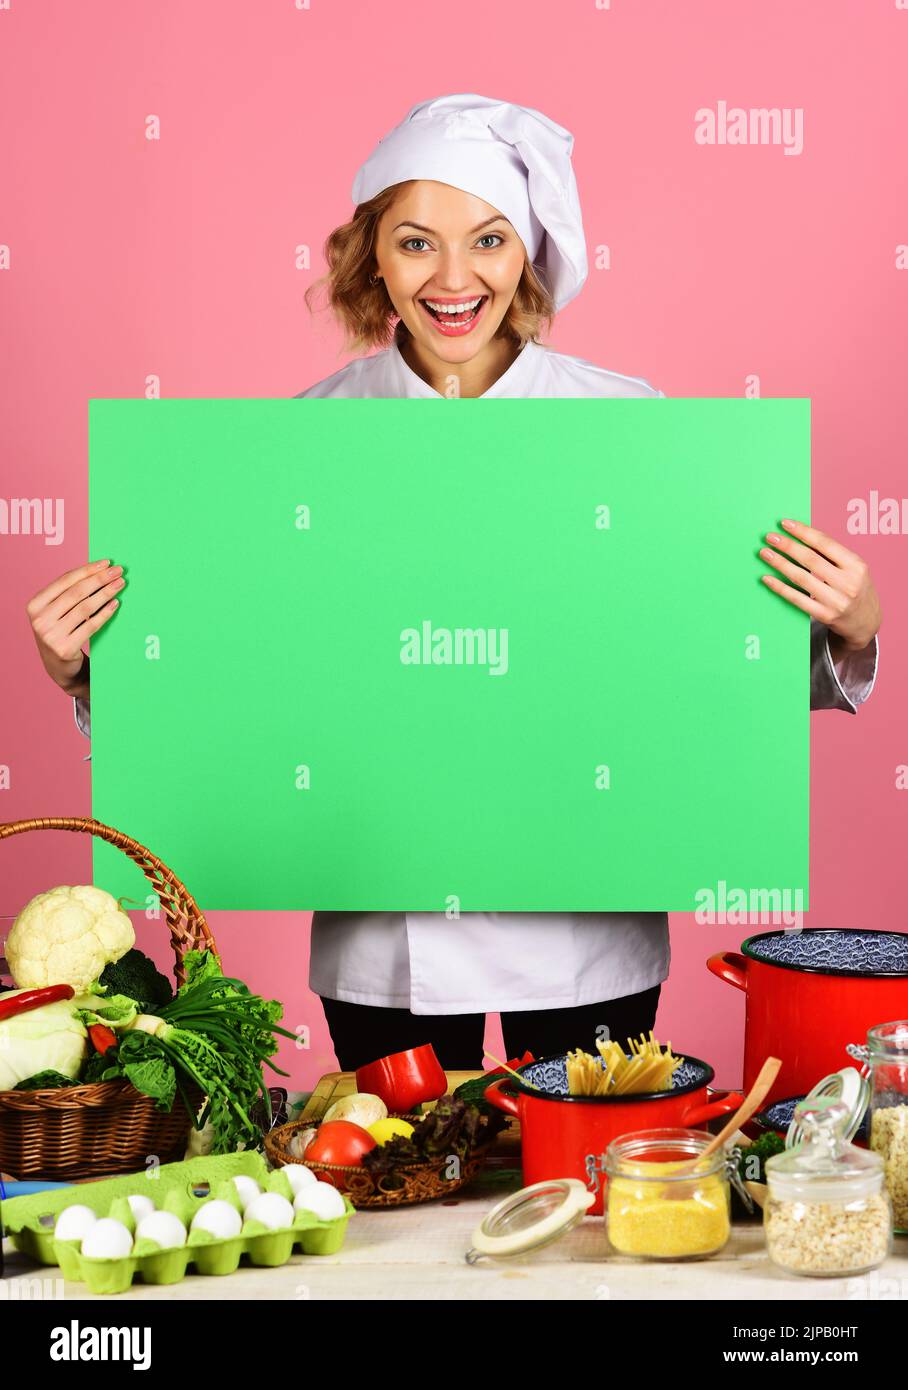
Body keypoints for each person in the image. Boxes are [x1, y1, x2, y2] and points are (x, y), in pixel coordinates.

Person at [28, 94, 881, 1073]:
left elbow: (696, 679)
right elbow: (247, 692)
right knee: (393, 1195)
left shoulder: (632, 428)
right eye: (414, 243)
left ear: (525, 250)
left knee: (581, 1210)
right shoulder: (294, 443)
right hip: (383, 948)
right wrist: (88, 671)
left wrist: (846, 633)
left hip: (580, 944)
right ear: (371, 257)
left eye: (485, 240)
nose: (452, 278)